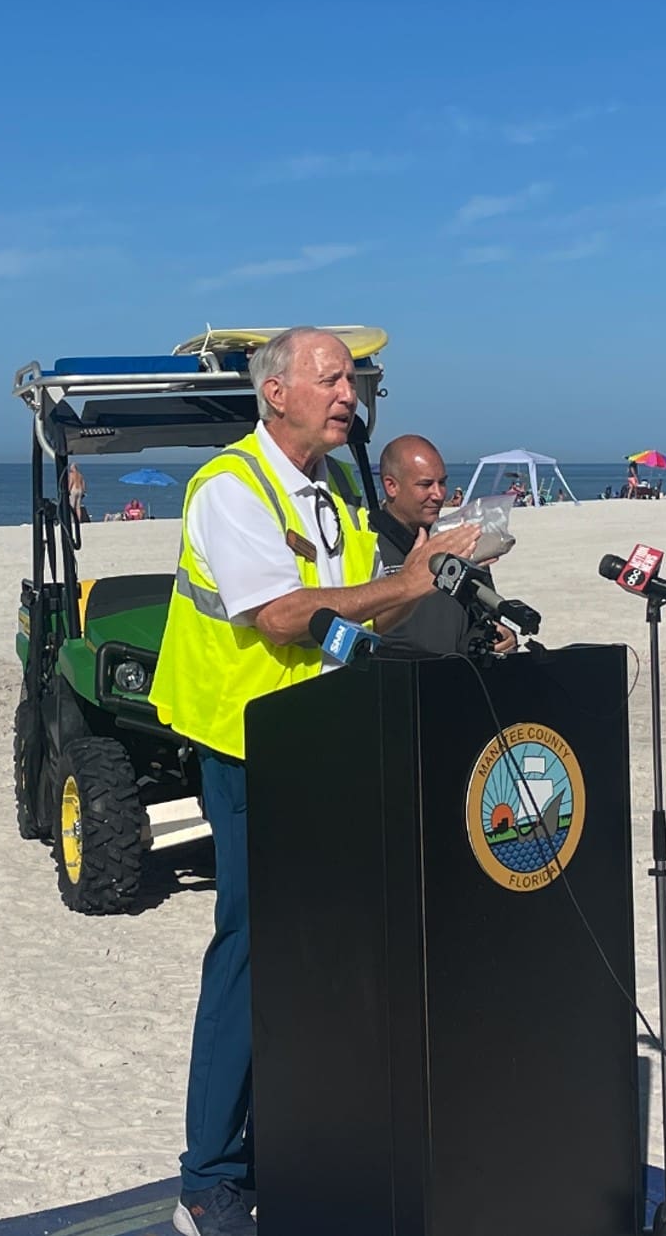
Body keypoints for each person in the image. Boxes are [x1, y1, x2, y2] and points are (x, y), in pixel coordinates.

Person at [147, 327, 481, 1236]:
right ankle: (210, 1178)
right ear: (275, 395)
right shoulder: (227, 488)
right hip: (248, 744)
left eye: (353, 380)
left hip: (326, 739)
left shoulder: (333, 483)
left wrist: (429, 568)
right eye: (330, 379)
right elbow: (287, 614)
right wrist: (408, 585)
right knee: (251, 953)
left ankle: (302, 1137)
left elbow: (346, 592)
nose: (350, 394)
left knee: (325, 948)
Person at [376, 434, 517, 657]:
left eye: (442, 482)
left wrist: (503, 635)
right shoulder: (368, 544)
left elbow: (484, 615)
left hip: (461, 676)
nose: (439, 494)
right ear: (391, 486)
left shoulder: (457, 541)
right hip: (396, 679)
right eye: (426, 484)